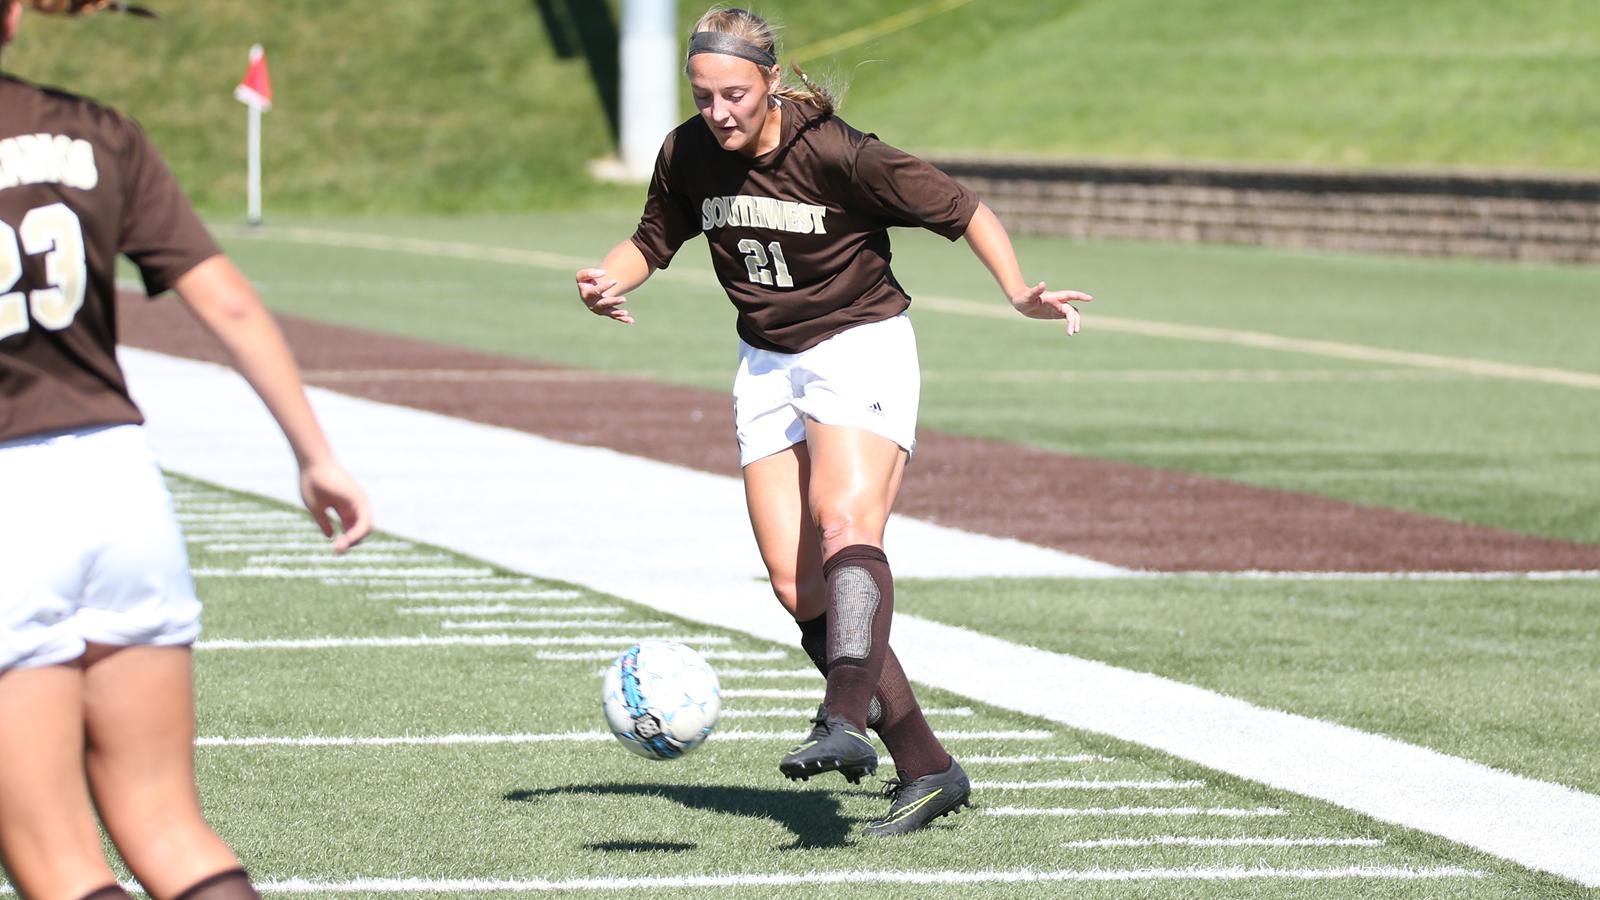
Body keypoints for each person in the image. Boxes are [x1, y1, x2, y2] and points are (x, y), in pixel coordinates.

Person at [576, 6, 1090, 837]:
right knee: (795, 585)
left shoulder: (838, 151)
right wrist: (610, 278)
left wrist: (1018, 290)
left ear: (771, 81)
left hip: (860, 344)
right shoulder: (688, 152)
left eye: (736, 94)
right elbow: (653, 238)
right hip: (766, 362)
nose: (720, 113)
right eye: (704, 95)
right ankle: (927, 767)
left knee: (845, 521)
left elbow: (963, 210)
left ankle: (843, 716)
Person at [0, 2, 372, 897]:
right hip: (118, 484)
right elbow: (231, 304)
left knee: (59, 865)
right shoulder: (93, 131)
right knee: (171, 827)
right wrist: (315, 452)